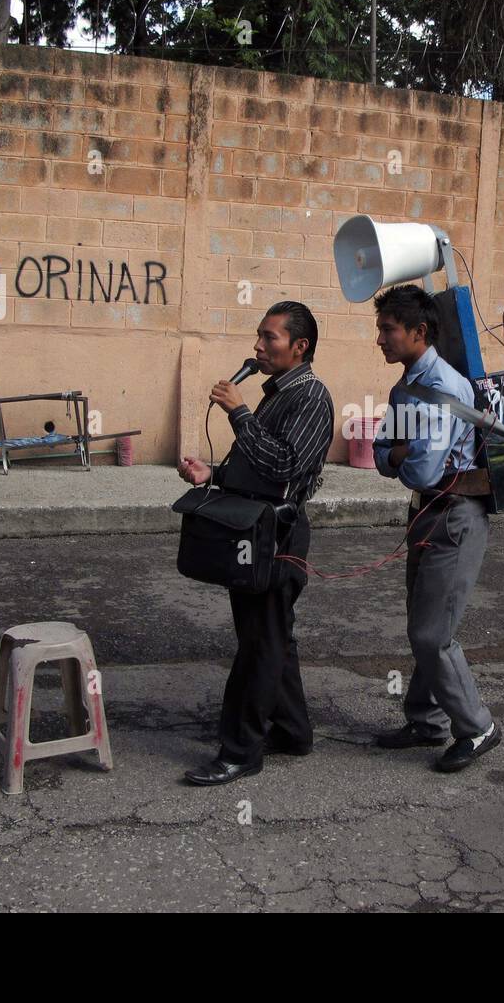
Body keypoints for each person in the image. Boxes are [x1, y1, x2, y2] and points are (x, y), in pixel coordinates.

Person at [178, 301, 334, 786]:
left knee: (259, 646)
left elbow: (285, 467)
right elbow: (257, 470)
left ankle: (240, 749)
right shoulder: (277, 394)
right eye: (259, 337)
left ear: (299, 346)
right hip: (253, 527)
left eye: (270, 338)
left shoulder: (310, 396)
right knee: (271, 636)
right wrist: (216, 473)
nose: (258, 347)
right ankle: (292, 730)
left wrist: (239, 414)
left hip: (278, 535)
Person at [369, 284, 501, 772]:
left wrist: (399, 453)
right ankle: (426, 721)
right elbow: (382, 454)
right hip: (427, 511)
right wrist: (401, 452)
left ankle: (478, 726)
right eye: (379, 329)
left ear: (419, 332)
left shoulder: (443, 388)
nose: (380, 339)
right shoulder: (404, 387)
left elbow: (416, 467)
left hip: (457, 516)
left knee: (432, 632)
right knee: (422, 625)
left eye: (388, 330)